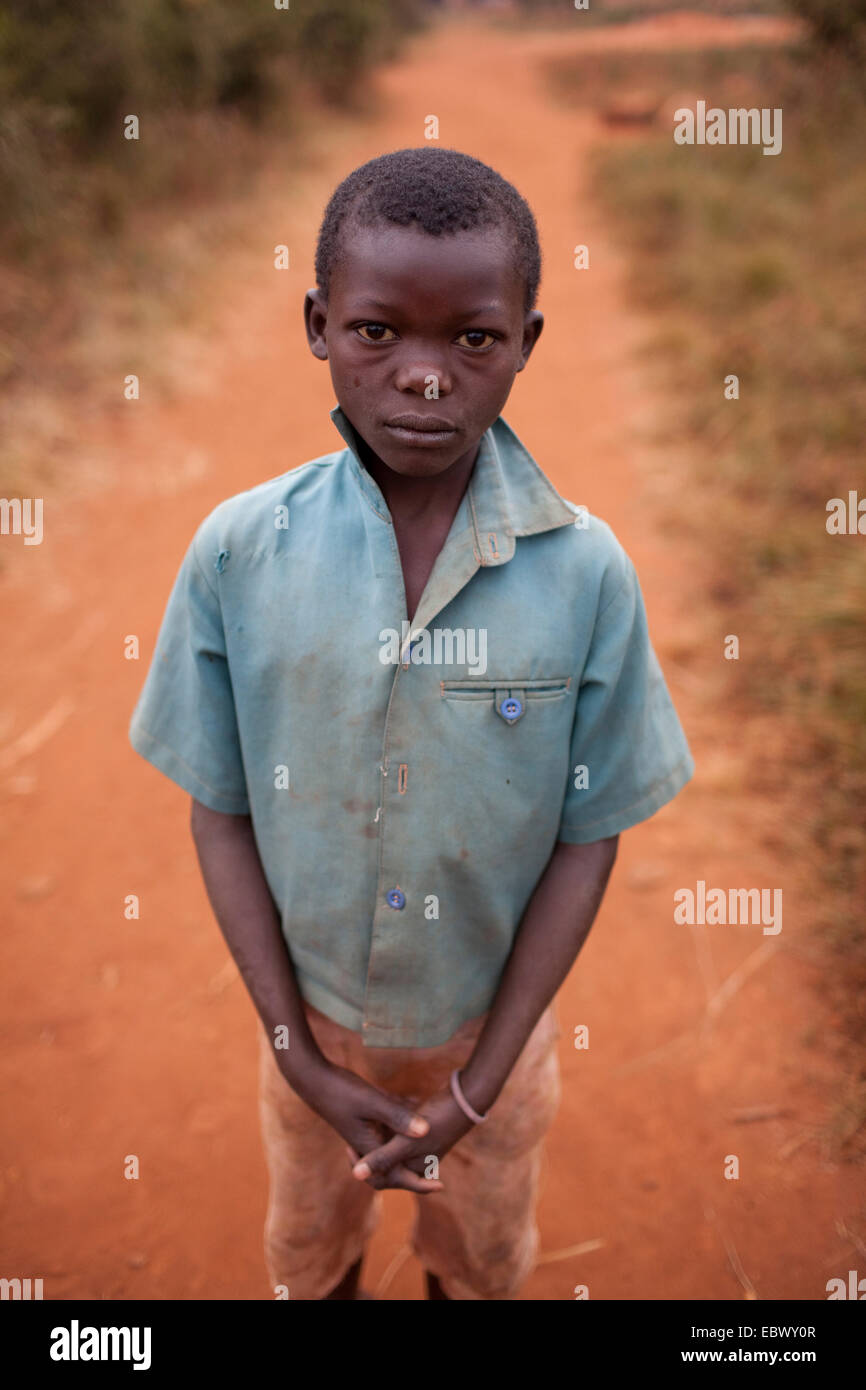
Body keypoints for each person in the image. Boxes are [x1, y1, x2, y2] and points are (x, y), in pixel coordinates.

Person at [129, 146, 694, 1301]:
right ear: (318, 325)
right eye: (378, 332)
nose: (425, 377)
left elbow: (589, 837)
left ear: (527, 340)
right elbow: (221, 810)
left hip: (494, 1046)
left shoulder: (585, 574)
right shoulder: (239, 551)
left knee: (476, 1268)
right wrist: (298, 1057)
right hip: (309, 1046)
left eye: (472, 339)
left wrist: (477, 1085)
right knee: (309, 1257)